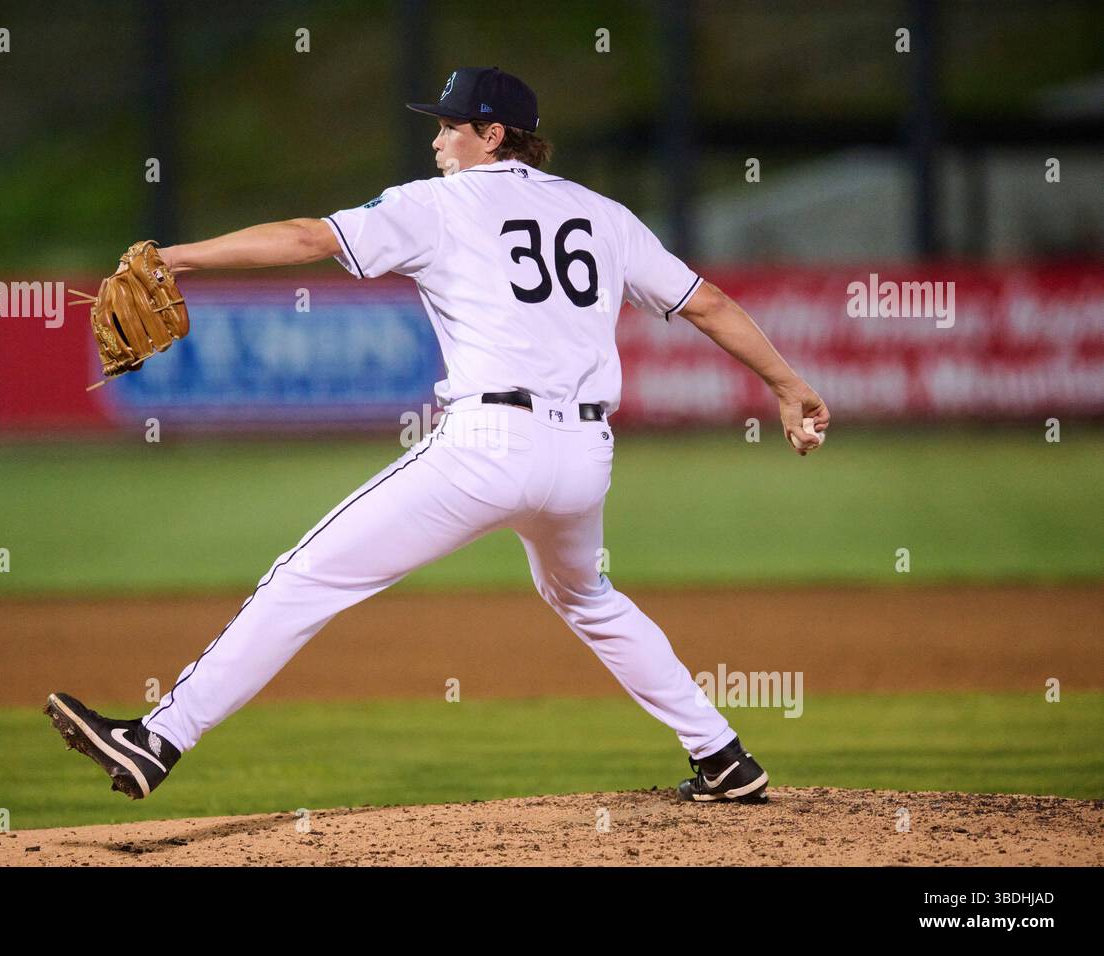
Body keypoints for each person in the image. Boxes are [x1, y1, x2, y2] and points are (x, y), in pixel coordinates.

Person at [45, 66, 829, 806]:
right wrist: (788, 387)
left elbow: (308, 237)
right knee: (586, 594)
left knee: (306, 577)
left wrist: (177, 258)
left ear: (493, 136)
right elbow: (710, 303)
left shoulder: (441, 206)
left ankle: (158, 738)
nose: (436, 140)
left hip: (489, 446)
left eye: (450, 126)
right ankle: (722, 755)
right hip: (585, 457)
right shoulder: (605, 215)